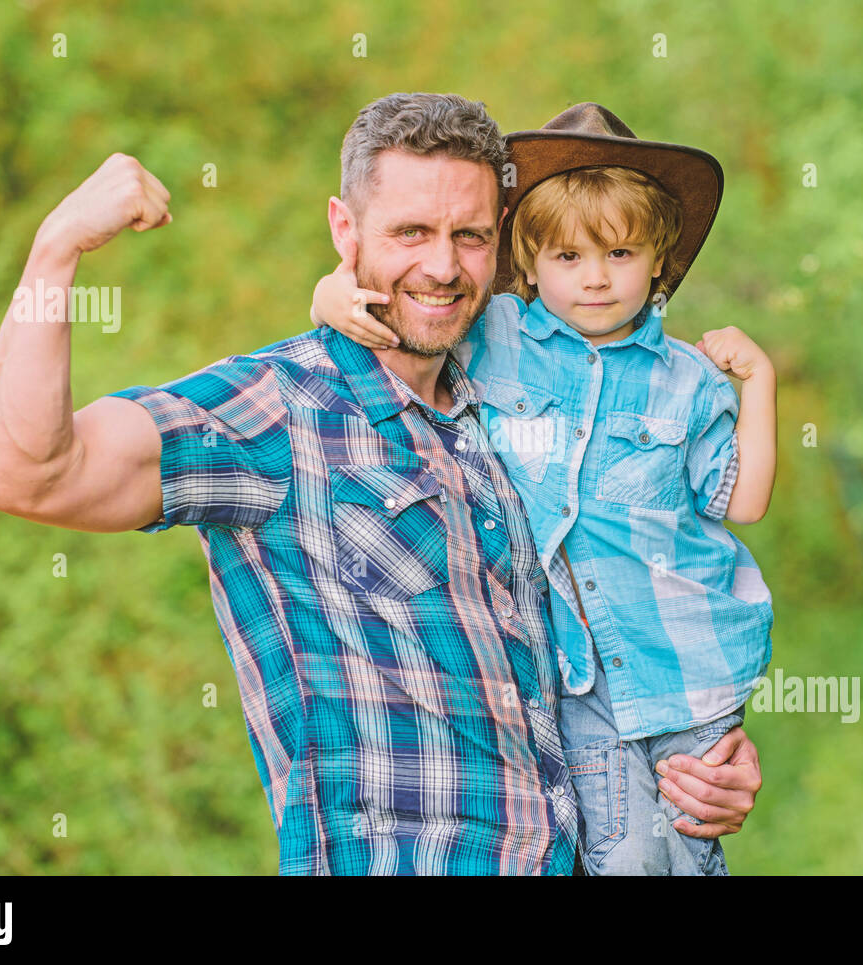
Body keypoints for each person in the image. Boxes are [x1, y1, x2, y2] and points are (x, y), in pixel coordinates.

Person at [0, 91, 762, 875]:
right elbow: (30, 474)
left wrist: (695, 756)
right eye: (411, 232)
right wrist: (57, 250)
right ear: (344, 232)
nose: (443, 265)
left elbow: (616, 612)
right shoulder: (281, 409)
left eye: (471, 236)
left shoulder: (512, 413)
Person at [312, 102, 776, 875]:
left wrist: (758, 382)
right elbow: (398, 305)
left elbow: (743, 501)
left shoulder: (689, 380)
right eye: (567, 258)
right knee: (624, 856)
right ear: (527, 261)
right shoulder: (494, 336)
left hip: (690, 669)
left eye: (620, 253)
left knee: (684, 852)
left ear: (660, 257)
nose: (595, 278)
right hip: (577, 678)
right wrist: (329, 296)